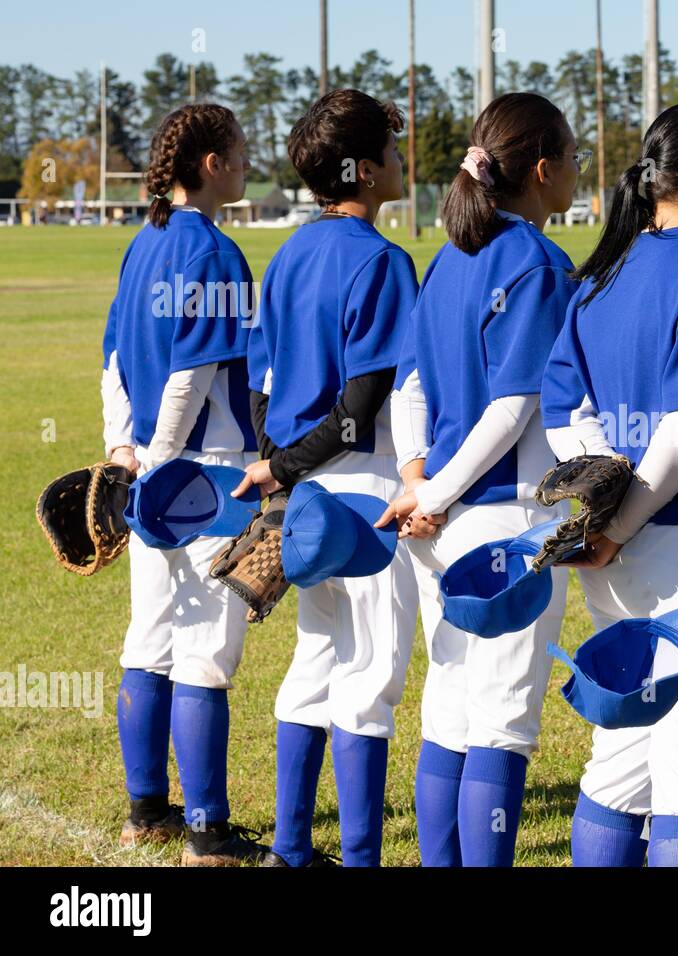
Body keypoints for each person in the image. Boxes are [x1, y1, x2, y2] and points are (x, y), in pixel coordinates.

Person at [540, 101, 678, 867]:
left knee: (623, 760)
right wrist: (619, 522)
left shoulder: (603, 274)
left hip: (617, 561)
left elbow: (564, 411)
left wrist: (604, 505)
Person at [375, 92, 587, 866]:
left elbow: (409, 387)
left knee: (451, 704)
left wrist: (415, 480)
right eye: (571, 156)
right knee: (500, 719)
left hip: (440, 519)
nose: (576, 171)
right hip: (504, 517)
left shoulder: (449, 256)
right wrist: (432, 492)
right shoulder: (536, 259)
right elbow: (513, 407)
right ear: (541, 168)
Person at [237, 89, 420, 867]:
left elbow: (260, 388)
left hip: (307, 497)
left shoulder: (287, 255)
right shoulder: (381, 258)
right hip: (366, 488)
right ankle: (358, 857)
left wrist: (278, 469)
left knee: (317, 657)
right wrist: (287, 464)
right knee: (370, 674)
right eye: (392, 145)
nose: (402, 157)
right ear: (366, 169)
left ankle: (288, 847)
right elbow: (364, 402)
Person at [101, 103, 265, 865]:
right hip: (205, 474)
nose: (244, 161)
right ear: (210, 165)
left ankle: (145, 813)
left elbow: (113, 364)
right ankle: (207, 832)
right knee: (203, 652)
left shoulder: (142, 245)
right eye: (237, 152)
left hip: (147, 474)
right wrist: (164, 461)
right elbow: (192, 372)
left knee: (149, 640)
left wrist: (123, 452)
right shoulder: (215, 250)